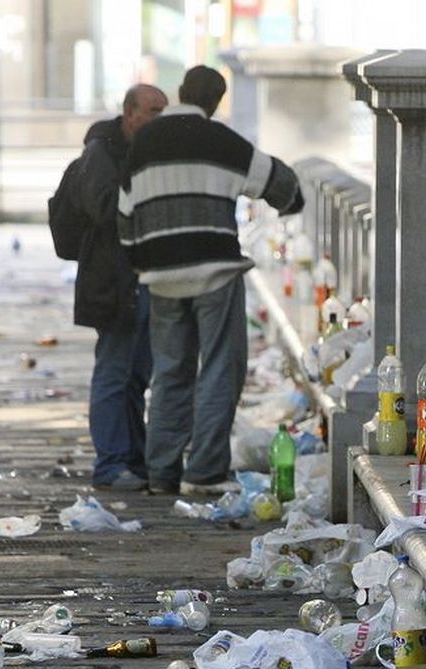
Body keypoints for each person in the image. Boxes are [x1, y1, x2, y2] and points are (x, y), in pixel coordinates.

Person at [118, 66, 303, 496]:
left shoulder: (143, 143)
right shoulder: (222, 142)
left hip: (161, 276)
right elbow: (283, 187)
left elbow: (124, 217)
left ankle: (161, 473)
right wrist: (291, 202)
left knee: (170, 372)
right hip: (214, 273)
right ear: (217, 102)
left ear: (180, 92)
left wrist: (141, 260)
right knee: (220, 367)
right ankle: (203, 471)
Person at [70, 84, 168, 491]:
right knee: (113, 370)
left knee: (136, 373)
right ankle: (110, 462)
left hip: (142, 278)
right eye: (153, 110)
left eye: (164, 110)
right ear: (130, 113)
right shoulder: (102, 152)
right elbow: (104, 207)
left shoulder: (145, 151)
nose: (160, 118)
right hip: (112, 280)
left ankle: (133, 455)